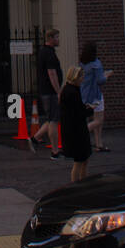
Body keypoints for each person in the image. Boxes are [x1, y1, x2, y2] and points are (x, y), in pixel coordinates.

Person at [31, 28, 63, 160]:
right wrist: (58, 91)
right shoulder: (49, 54)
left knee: (51, 118)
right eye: (56, 37)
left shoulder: (43, 52)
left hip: (45, 91)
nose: (58, 39)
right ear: (50, 38)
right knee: (54, 121)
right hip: (50, 92)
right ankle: (55, 151)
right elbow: (52, 73)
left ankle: (35, 137)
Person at [59, 66, 92, 182]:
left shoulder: (68, 90)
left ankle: (83, 182)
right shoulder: (72, 92)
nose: (83, 79)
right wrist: (89, 109)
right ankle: (77, 184)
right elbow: (78, 112)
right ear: (76, 78)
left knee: (83, 159)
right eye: (81, 76)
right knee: (79, 160)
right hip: (76, 131)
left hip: (72, 130)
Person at [80, 40, 112, 153]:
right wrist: (106, 75)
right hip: (96, 95)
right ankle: (80, 135)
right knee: (99, 120)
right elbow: (100, 80)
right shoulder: (96, 64)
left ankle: (99, 143)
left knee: (93, 119)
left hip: (84, 95)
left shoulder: (83, 63)